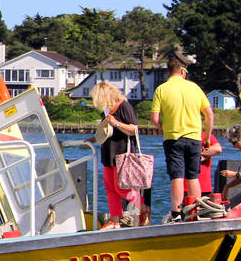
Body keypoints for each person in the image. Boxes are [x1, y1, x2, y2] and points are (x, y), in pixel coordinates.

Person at [150, 55, 214, 219]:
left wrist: (163, 127)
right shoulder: (194, 88)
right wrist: (206, 137)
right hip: (194, 137)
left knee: (177, 176)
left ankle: (177, 212)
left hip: (173, 138)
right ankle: (197, 209)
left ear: (169, 72)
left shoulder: (161, 89)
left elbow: (154, 119)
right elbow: (209, 114)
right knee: (193, 176)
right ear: (183, 72)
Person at [89, 81, 142, 228]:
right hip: (108, 153)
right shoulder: (107, 110)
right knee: (110, 188)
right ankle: (115, 220)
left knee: (120, 188)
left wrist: (116, 123)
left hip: (122, 153)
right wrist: (93, 139)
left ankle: (142, 204)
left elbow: (134, 129)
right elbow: (106, 131)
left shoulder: (123, 106)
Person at [198, 129, 224, 198]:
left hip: (205, 187)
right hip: (184, 187)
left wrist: (195, 153)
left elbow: (217, 149)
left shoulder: (204, 135)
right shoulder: (180, 137)